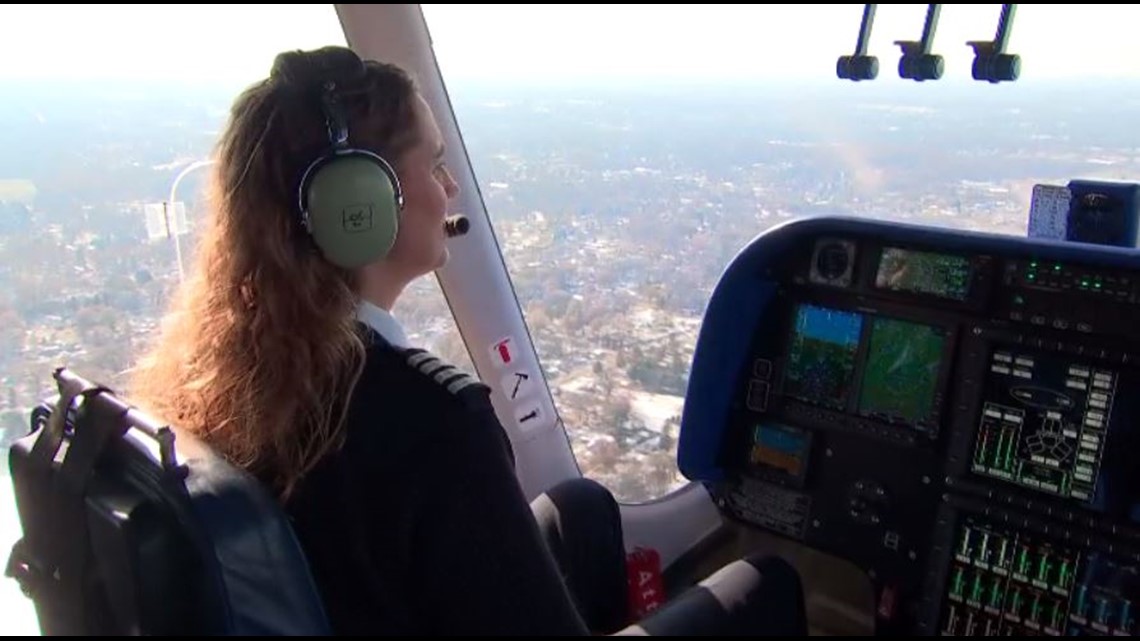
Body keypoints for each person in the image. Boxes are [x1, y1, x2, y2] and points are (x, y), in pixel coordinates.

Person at [127, 45, 806, 636]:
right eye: (434, 164)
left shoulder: (234, 375)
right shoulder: (431, 423)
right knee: (763, 584)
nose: (450, 187)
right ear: (358, 202)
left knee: (584, 508)